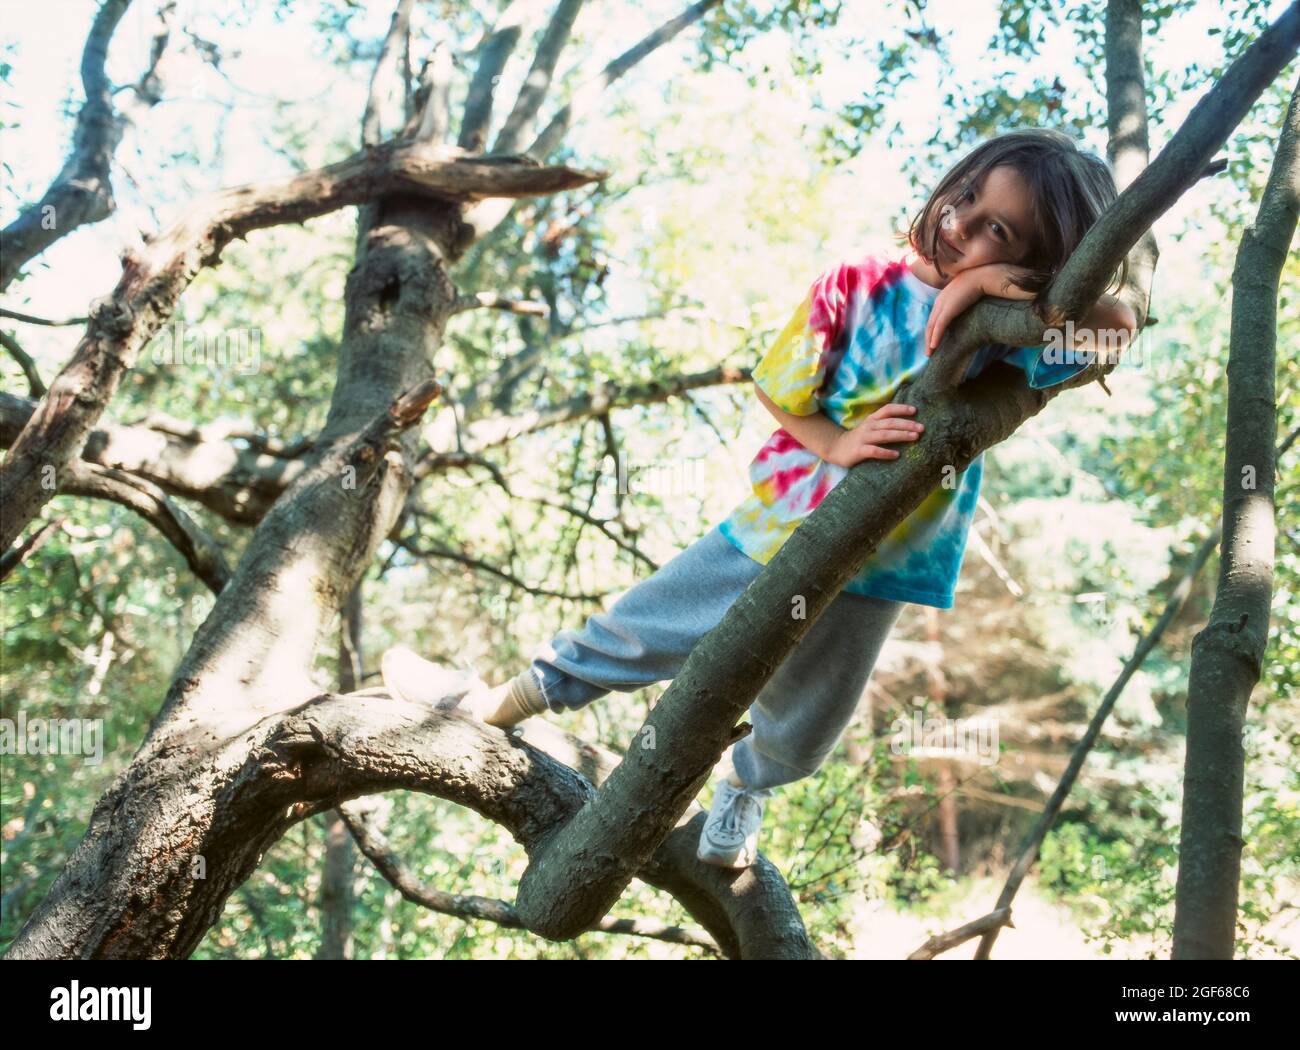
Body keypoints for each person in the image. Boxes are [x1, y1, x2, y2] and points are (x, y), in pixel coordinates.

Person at [382, 128, 1138, 869]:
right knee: (645, 625)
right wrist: (837, 444)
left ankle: (744, 786)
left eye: (994, 229)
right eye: (965, 197)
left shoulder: (1008, 332)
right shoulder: (859, 280)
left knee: (809, 721)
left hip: (884, 564)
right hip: (781, 521)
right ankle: (497, 703)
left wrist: (985, 289)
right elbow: (782, 385)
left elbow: (1114, 329)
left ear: (1037, 260)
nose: (959, 224)